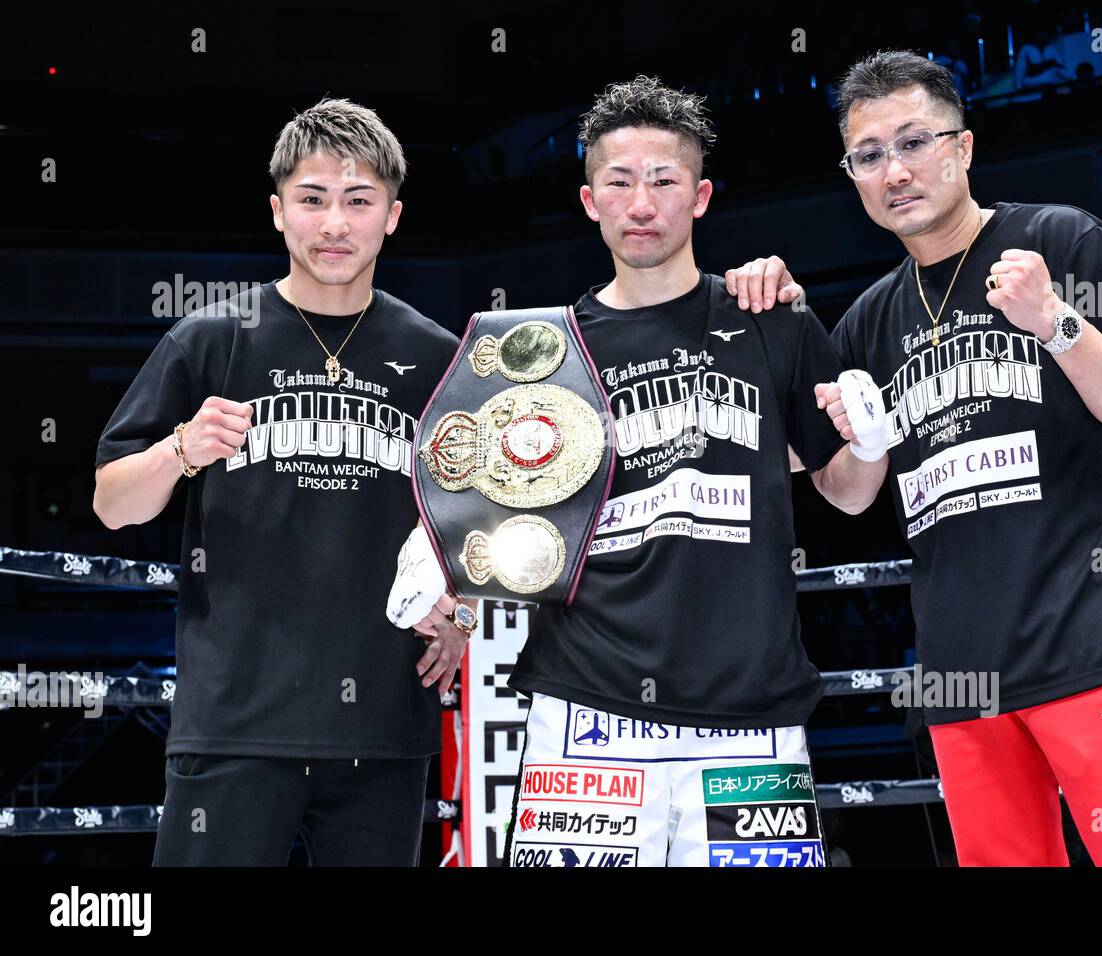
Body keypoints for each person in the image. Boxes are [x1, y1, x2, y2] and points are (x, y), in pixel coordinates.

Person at [727, 51, 1102, 866]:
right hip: (960, 681)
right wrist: (856, 432)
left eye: (915, 141)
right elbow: (846, 497)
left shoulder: (1062, 239)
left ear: (963, 147)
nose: (896, 170)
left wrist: (1055, 320)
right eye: (870, 155)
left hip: (1093, 651)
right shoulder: (869, 323)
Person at [397, 76, 855, 867]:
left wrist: (871, 439)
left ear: (701, 195)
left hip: (752, 714)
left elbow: (849, 492)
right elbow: (481, 502)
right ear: (588, 199)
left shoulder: (771, 319)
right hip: (585, 712)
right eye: (619, 181)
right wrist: (453, 597)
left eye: (664, 180)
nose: (641, 202)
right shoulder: (539, 351)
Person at [94, 98, 473, 866]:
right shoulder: (207, 339)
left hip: (382, 727)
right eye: (313, 199)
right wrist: (180, 448)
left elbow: (473, 513)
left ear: (392, 216)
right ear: (277, 211)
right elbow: (111, 505)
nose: (334, 223)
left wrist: (463, 610)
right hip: (234, 724)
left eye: (358, 200)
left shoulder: (438, 356)